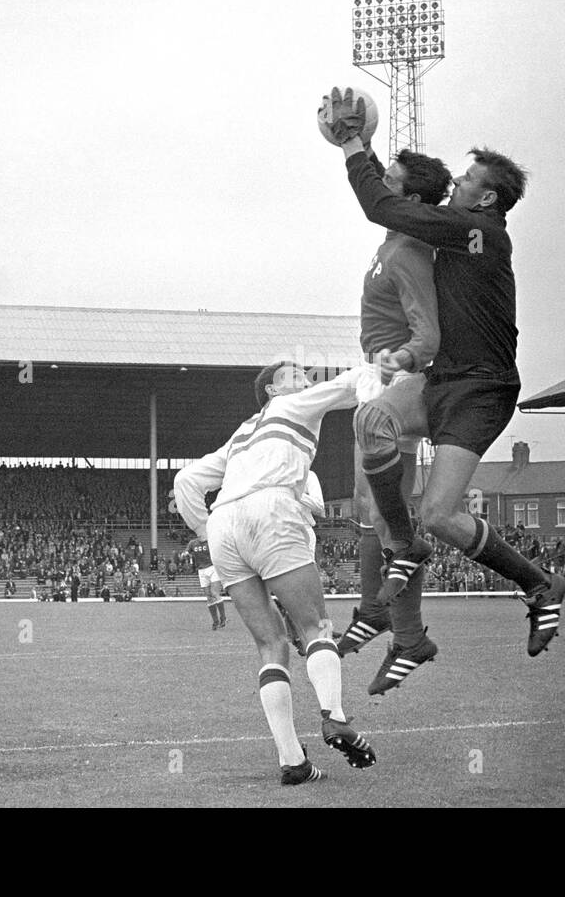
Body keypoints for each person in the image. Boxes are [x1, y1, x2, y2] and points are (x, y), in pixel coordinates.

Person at [321, 87, 565, 656]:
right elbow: (401, 204)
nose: (455, 185)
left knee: (441, 514)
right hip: (442, 380)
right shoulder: (458, 227)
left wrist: (354, 144)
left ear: (486, 200)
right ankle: (401, 555)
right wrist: (370, 153)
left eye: (465, 181)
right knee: (371, 420)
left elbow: (384, 206)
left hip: (482, 388)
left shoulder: (478, 233)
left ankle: (537, 584)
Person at [174, 360, 376, 786]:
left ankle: (293, 762)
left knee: (271, 645)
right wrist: (397, 368)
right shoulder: (293, 405)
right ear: (271, 389)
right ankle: (335, 718)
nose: (304, 378)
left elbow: (187, 480)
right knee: (317, 627)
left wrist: (203, 530)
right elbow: (354, 383)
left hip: (224, 525)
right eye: (294, 374)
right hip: (272, 509)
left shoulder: (240, 436)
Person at [332, 147, 449, 695]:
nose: (382, 186)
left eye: (392, 182)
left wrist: (397, 363)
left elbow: (428, 337)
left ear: (413, 201)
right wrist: (357, 145)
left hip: (393, 389)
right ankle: (375, 612)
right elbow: (379, 185)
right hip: (374, 381)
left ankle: (407, 633)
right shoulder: (393, 241)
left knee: (389, 518)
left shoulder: (409, 254)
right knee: (369, 512)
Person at [188, 536, 227, 631]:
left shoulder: (210, 540)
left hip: (212, 567)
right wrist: (189, 557)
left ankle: (223, 617)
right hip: (201, 570)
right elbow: (188, 552)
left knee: (214, 593)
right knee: (209, 597)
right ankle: (215, 621)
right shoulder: (192, 543)